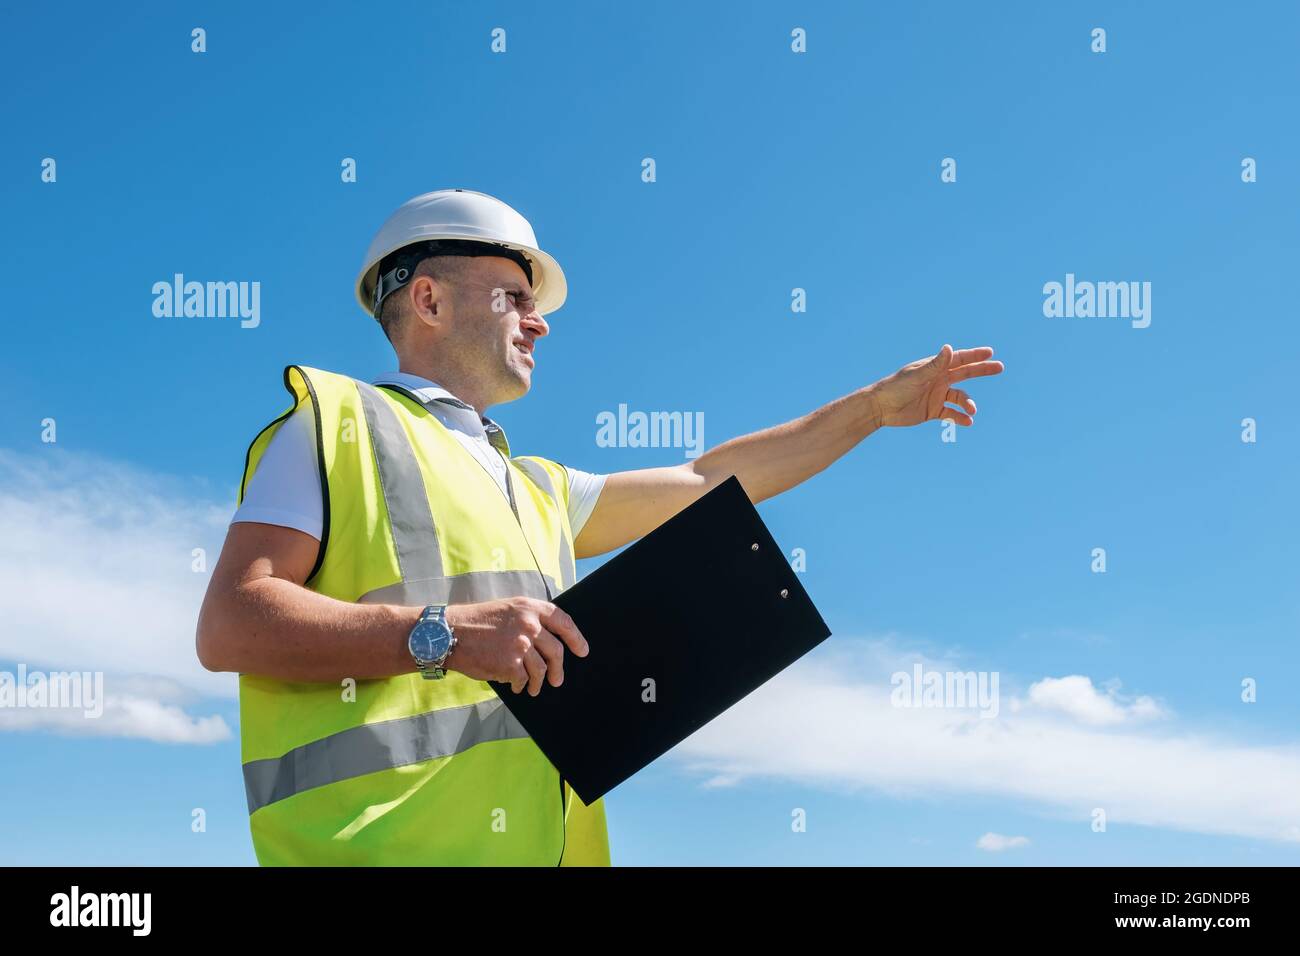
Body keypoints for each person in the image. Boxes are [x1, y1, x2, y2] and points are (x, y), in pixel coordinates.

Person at [195, 188, 1005, 866]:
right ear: (429, 299)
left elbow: (706, 479)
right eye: (513, 295)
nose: (538, 321)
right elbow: (230, 622)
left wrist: (869, 410)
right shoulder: (337, 425)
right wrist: (441, 633)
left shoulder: (537, 486)